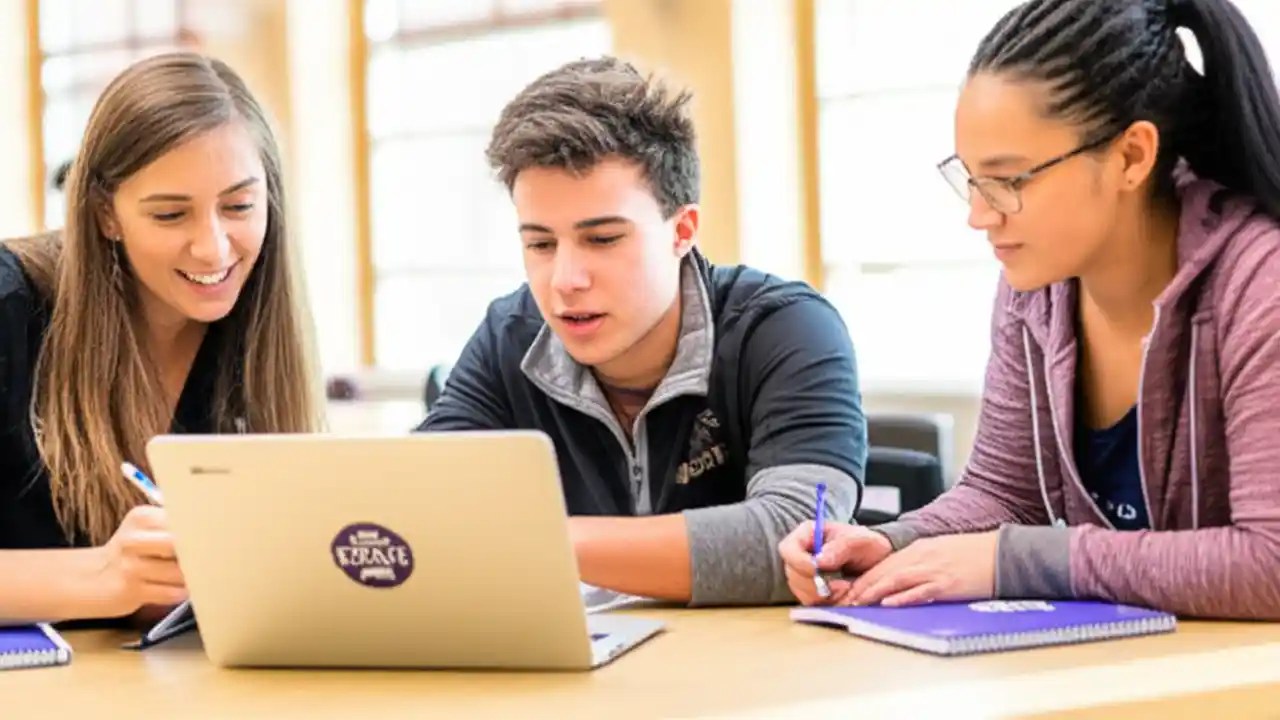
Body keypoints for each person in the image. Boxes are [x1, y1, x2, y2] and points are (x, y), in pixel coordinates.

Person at [781, 0, 1280, 620]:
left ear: (1131, 156)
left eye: (1009, 179)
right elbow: (1002, 493)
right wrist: (889, 544)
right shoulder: (1037, 282)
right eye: (969, 178)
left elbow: (1271, 563)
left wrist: (1010, 560)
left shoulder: (1262, 284)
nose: (979, 214)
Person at [418, 57, 868, 606]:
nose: (565, 280)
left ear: (683, 230)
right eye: (540, 244)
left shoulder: (785, 328)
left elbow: (794, 540)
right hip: (583, 675)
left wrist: (530, 539)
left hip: (760, 676)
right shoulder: (509, 339)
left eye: (603, 239)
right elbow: (420, 512)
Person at [0, 52, 322, 624]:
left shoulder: (251, 334)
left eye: (240, 206)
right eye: (171, 215)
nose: (215, 249)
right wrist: (106, 577)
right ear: (106, 214)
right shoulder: (11, 307)